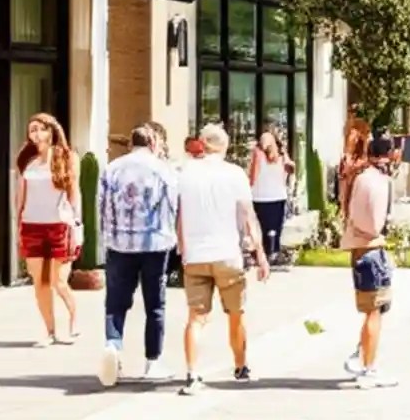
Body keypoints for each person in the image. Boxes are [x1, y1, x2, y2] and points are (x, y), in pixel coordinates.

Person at [176, 124, 269, 395]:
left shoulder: (184, 172)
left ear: (201, 144)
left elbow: (180, 215)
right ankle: (241, 367)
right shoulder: (234, 174)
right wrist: (260, 253)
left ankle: (193, 374)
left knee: (196, 317)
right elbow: (248, 216)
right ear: (224, 147)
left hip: (195, 255)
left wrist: (182, 247)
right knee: (236, 313)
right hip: (227, 254)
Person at [98, 124, 180, 387]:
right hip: (154, 244)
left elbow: (101, 206)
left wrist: (107, 237)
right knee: (155, 303)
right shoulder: (162, 169)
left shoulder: (112, 169)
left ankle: (113, 344)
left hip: (119, 244)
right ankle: (152, 360)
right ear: (153, 143)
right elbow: (172, 206)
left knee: (116, 301)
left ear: (131, 143)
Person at [15, 112, 81, 347]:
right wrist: (18, 227)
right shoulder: (26, 161)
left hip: (59, 226)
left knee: (58, 281)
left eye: (40, 128)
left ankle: (73, 318)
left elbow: (75, 195)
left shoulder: (67, 157)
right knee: (39, 283)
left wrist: (77, 227)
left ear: (51, 131)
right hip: (32, 226)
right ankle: (50, 331)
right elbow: (19, 198)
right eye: (32, 129)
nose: (36, 134)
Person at [339, 137, 399, 388]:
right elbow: (375, 223)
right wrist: (381, 228)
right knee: (375, 311)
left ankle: (362, 356)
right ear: (388, 155)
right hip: (371, 248)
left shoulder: (360, 176)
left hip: (360, 248)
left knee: (375, 309)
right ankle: (368, 367)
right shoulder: (377, 181)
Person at [248, 130, 295, 265]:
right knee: (275, 226)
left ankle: (264, 253)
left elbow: (253, 175)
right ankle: (273, 251)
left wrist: (248, 186)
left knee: (262, 226)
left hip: (259, 196)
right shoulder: (281, 154)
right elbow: (290, 168)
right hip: (278, 196)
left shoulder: (258, 153)